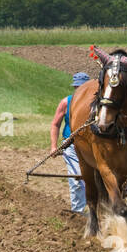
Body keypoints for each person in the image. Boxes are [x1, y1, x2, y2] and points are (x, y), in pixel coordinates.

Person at [50, 71, 91, 214]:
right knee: (77, 178)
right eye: (77, 87)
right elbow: (55, 124)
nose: (79, 90)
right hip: (71, 144)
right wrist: (54, 146)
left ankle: (95, 211)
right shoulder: (66, 102)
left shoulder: (95, 103)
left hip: (91, 145)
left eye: (82, 87)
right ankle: (79, 212)